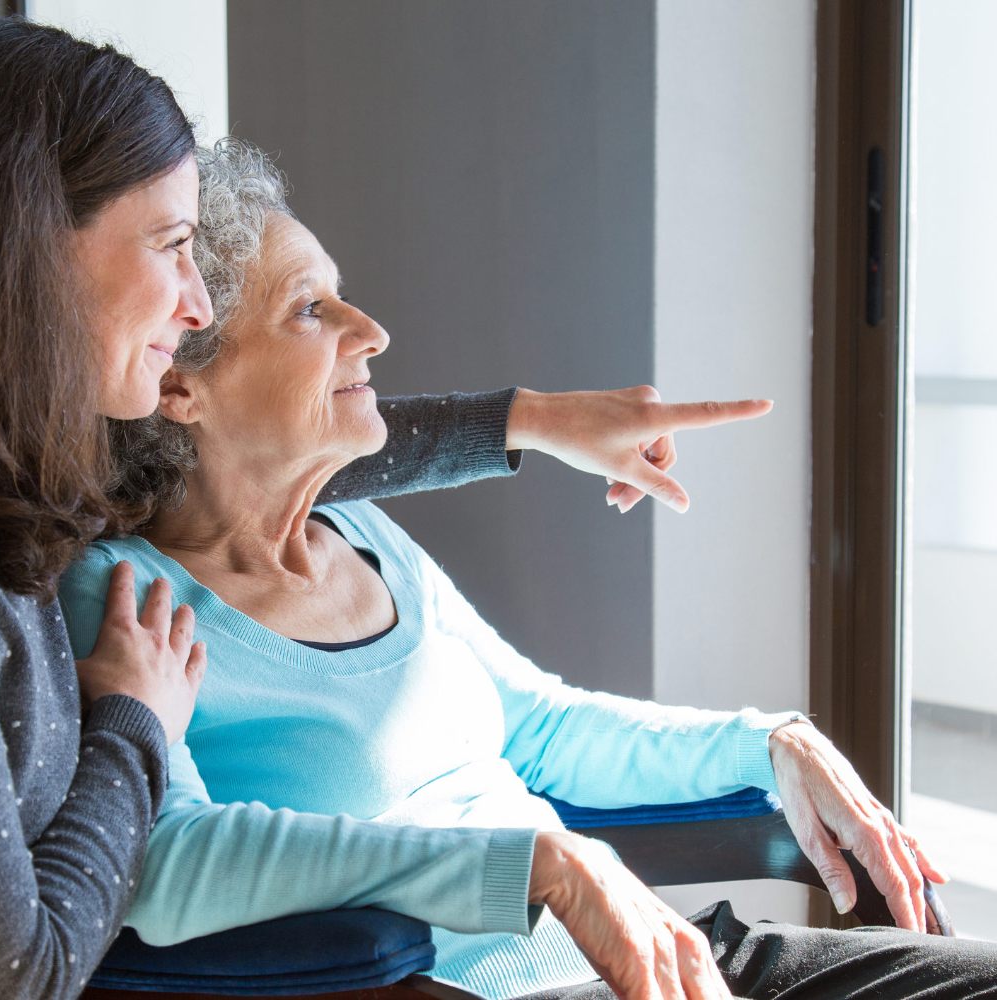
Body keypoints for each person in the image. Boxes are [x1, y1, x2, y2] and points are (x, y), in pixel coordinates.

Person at [0, 17, 773, 1000]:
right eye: (167, 245)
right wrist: (136, 730)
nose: (195, 298)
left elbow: (252, 450)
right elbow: (2, 975)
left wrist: (528, 422)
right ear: (22, 253)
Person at [62, 138, 996, 1000]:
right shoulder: (123, 599)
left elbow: (542, 728)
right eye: (310, 309)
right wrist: (534, 861)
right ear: (179, 385)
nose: (371, 330)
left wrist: (768, 742)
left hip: (674, 958)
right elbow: (168, 861)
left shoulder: (365, 535)